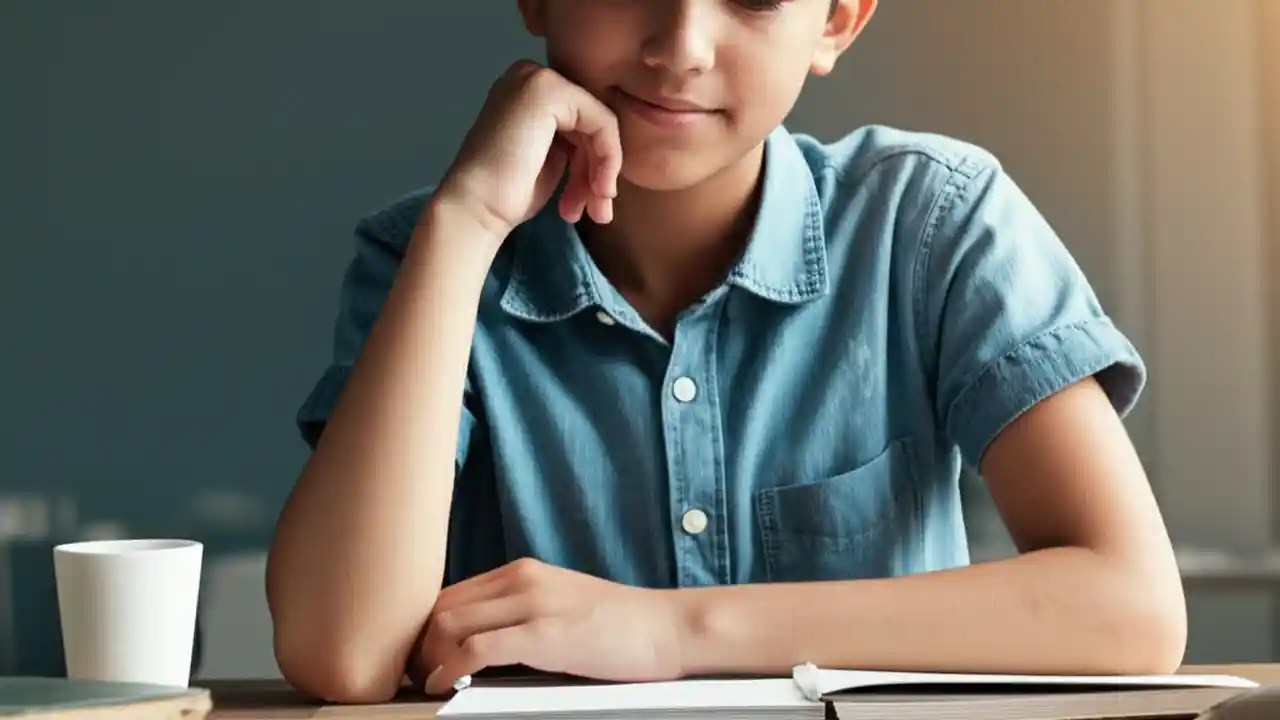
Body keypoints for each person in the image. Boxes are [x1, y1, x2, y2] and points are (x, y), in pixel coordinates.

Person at [265, 0, 1187, 704]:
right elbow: (342, 652)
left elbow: (1131, 609)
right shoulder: (426, 255)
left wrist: (671, 631)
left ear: (836, 20)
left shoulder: (934, 221)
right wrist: (465, 225)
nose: (681, 46)